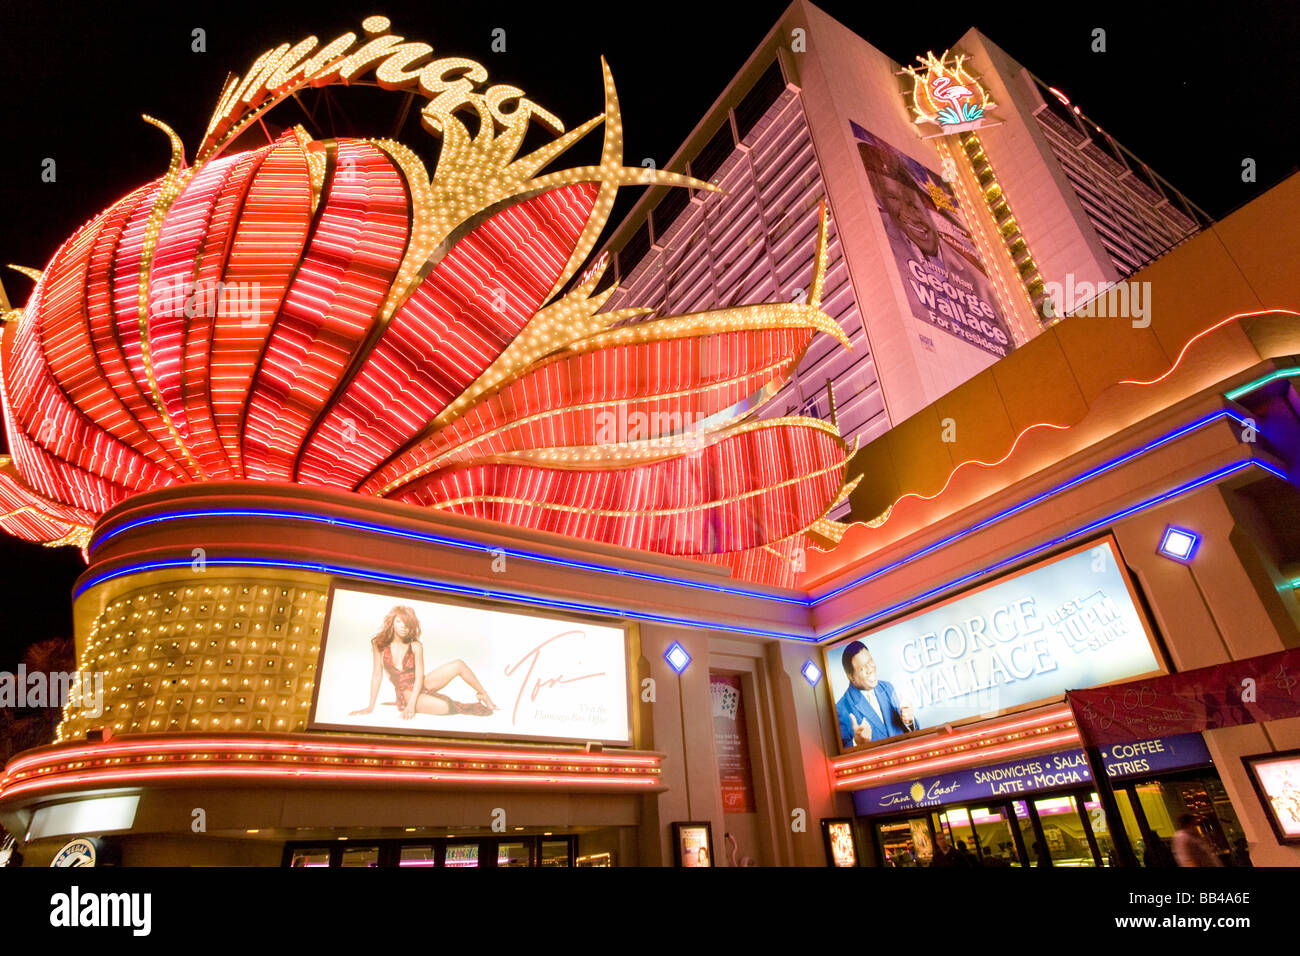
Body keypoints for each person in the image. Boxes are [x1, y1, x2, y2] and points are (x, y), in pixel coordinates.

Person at [350, 605, 499, 720]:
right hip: (405, 692)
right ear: (392, 623)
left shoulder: (415, 646)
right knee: (445, 707)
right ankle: (421, 700)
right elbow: (377, 675)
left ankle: (483, 695)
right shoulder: (380, 645)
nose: (403, 626)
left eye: (407, 623)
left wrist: (413, 705)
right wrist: (371, 706)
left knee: (458, 664)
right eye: (399, 621)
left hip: (420, 684)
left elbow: (420, 677)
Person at [835, 641, 918, 748]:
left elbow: (911, 734)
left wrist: (910, 722)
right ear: (852, 677)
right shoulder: (840, 709)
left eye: (870, 661)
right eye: (862, 668)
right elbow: (841, 755)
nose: (870, 669)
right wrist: (857, 743)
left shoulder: (888, 687)